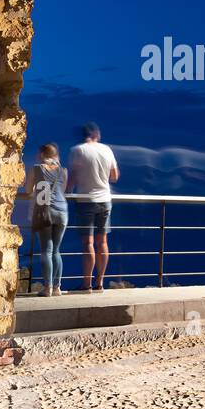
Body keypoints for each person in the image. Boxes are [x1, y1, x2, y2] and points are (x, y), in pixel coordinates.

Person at [67, 122, 119, 291]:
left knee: (88, 243)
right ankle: (100, 282)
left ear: (84, 135)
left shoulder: (78, 150)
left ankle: (87, 283)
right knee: (102, 242)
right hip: (105, 200)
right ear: (97, 134)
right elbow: (114, 176)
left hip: (85, 200)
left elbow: (73, 176)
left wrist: (66, 193)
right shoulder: (107, 150)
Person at [25, 143, 68, 296]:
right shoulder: (63, 171)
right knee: (56, 251)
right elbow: (62, 191)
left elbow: (29, 191)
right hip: (62, 212)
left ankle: (47, 288)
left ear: (42, 154)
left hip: (44, 211)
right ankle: (57, 288)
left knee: (46, 251)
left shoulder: (36, 169)